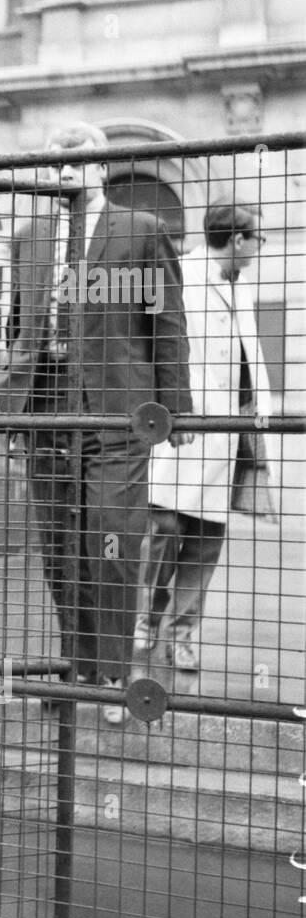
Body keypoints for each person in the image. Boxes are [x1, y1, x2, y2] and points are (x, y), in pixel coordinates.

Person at [0, 122, 192, 720]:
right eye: (54, 163)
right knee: (58, 545)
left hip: (117, 412)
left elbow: (168, 326)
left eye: (76, 161)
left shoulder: (141, 231)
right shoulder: (30, 238)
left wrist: (174, 413)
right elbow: (17, 323)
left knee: (110, 540)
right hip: (47, 411)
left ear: (102, 167)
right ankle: (74, 667)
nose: (64, 172)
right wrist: (12, 406)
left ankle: (108, 674)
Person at [137, 203, 276, 671]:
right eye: (257, 238)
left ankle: (182, 635)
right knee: (166, 530)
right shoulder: (183, 274)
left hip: (228, 431)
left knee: (207, 539)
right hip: (184, 429)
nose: (259, 248)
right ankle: (146, 624)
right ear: (237, 240)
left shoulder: (239, 283)